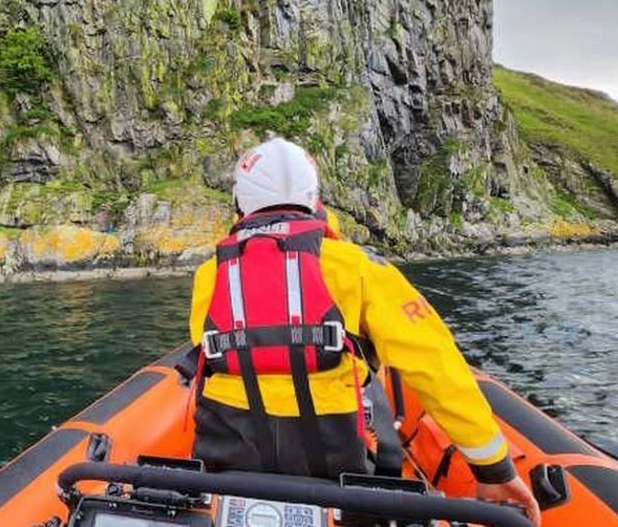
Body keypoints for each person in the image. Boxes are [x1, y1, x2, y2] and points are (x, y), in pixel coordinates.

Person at [188, 138, 541, 525]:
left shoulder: (211, 275)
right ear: (315, 199)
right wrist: (494, 470)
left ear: (239, 204)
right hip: (332, 465)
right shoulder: (357, 267)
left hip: (230, 465)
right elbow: (435, 364)